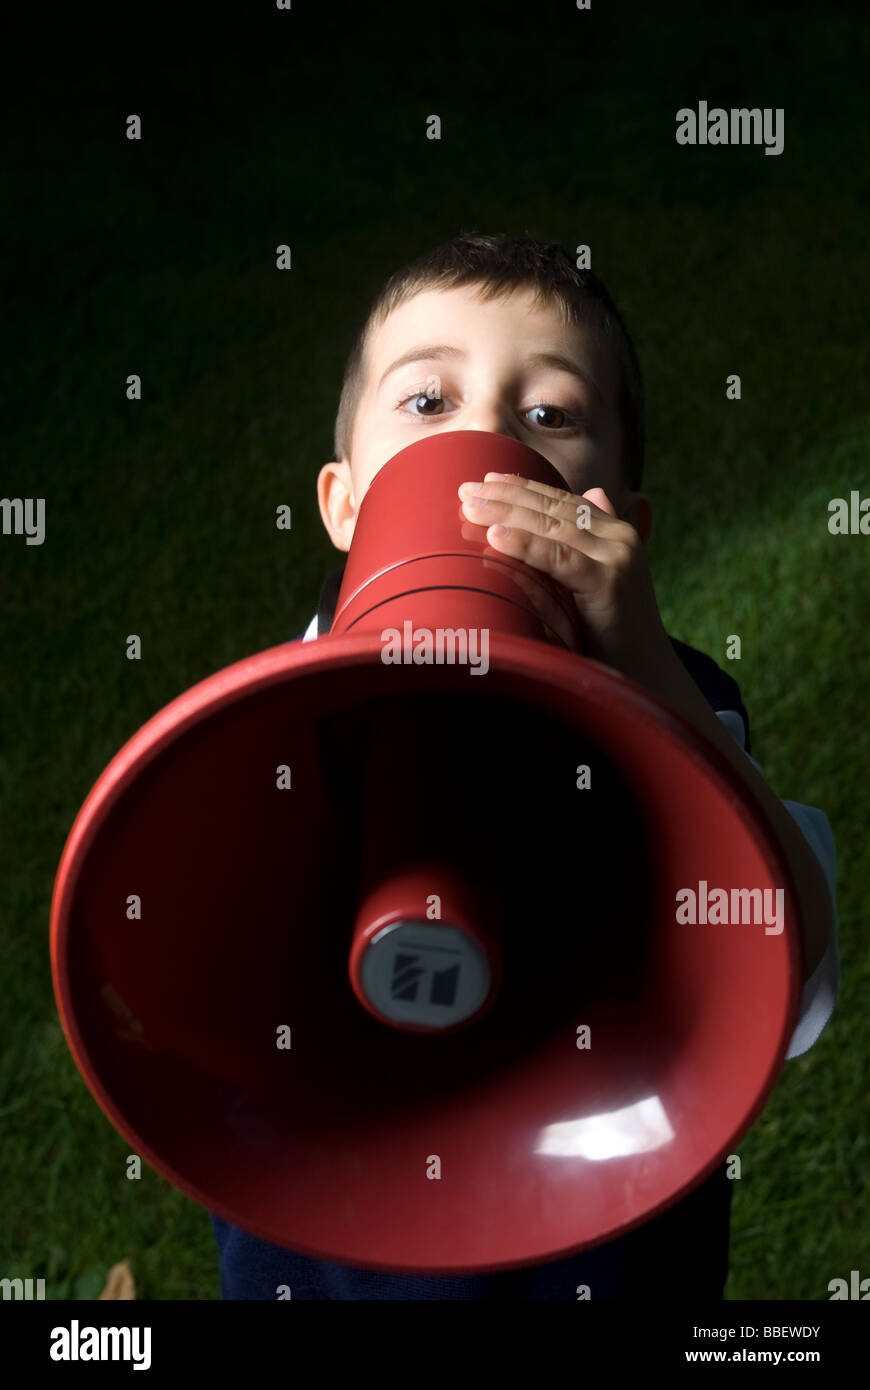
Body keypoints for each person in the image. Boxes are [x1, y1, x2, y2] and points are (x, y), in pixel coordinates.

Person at [210, 232, 839, 1299]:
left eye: (550, 416)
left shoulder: (681, 703)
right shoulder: (267, 720)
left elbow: (794, 966)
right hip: (332, 1231)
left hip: (603, 1216)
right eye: (426, 402)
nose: (488, 440)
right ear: (345, 502)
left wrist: (641, 667)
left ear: (622, 525)